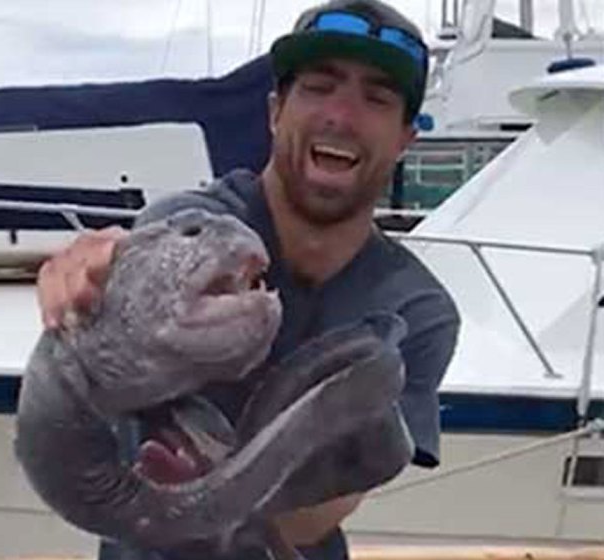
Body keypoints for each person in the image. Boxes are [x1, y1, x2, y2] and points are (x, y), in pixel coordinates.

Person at [36, 0, 460, 558]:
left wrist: (215, 500)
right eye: (318, 87)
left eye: (376, 98)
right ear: (274, 111)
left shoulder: (418, 309)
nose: (342, 115)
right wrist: (82, 282)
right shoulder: (186, 226)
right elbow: (114, 297)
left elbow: (328, 501)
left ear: (406, 138)